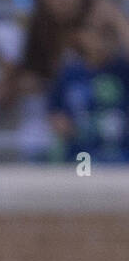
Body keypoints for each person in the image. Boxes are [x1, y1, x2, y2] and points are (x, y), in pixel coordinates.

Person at [0, 0, 129, 163]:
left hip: (88, 149)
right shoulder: (22, 36)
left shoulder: (96, 38)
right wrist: (20, 81)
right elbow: (1, 100)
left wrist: (118, 19)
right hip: (38, 144)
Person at [48, 14, 129, 165]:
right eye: (93, 31)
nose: (99, 38)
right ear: (80, 35)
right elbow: (55, 110)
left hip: (120, 154)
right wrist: (61, 123)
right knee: (81, 182)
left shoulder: (123, 70)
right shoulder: (69, 73)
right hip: (80, 154)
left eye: (105, 32)